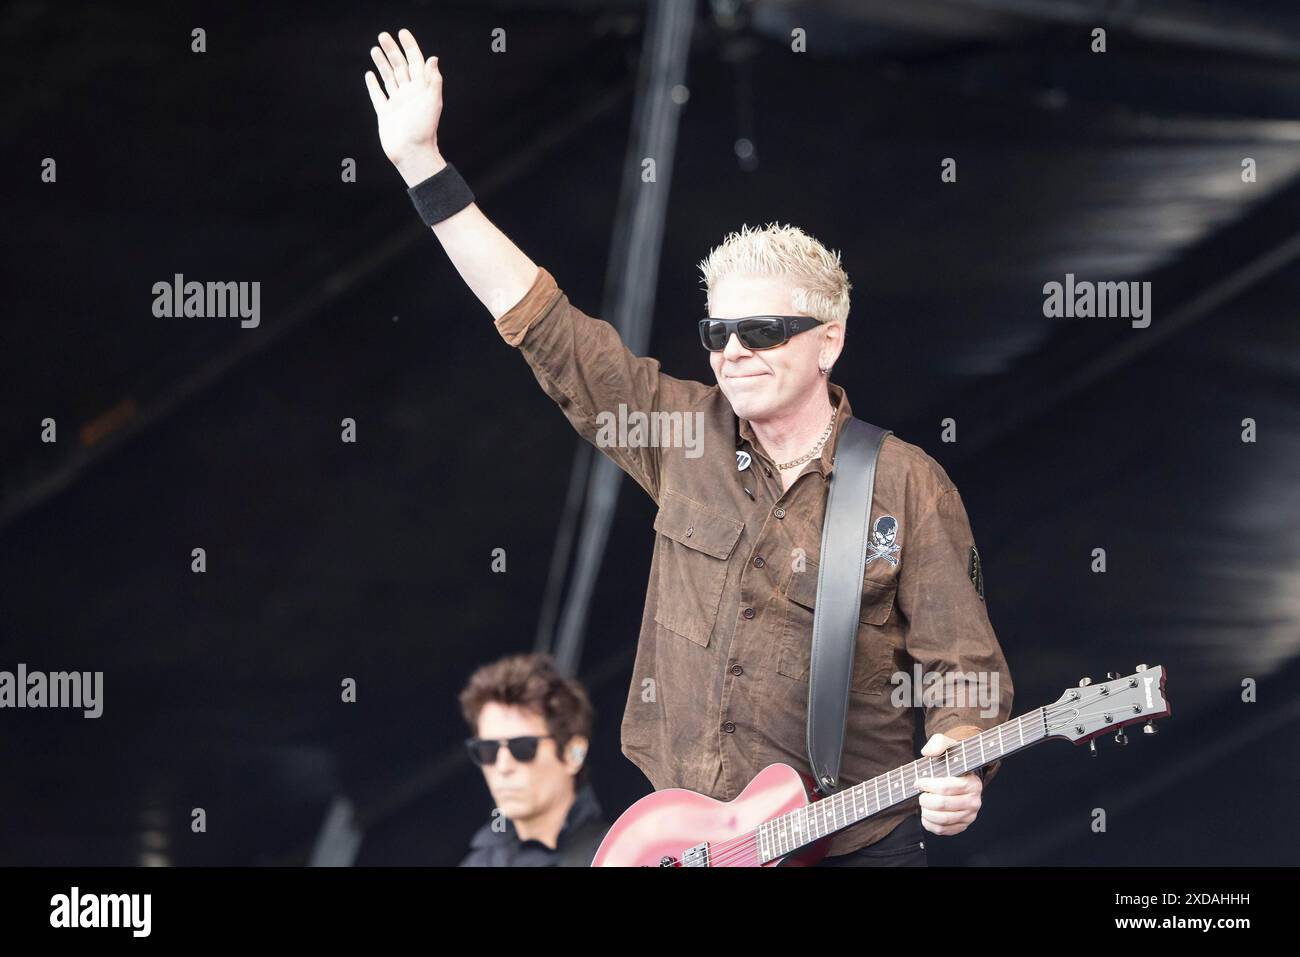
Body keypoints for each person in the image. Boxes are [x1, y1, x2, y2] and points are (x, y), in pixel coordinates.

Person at [365, 28, 1014, 866]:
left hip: (848, 849)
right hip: (681, 843)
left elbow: (966, 673)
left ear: (830, 341)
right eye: (718, 330)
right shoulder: (680, 432)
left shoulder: (906, 486)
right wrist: (423, 165)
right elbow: (544, 327)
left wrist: (961, 759)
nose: (733, 349)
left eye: (763, 329)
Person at [458, 652, 609, 866]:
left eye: (522, 748)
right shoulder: (476, 863)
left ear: (573, 754)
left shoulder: (622, 854)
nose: (503, 766)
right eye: (488, 750)